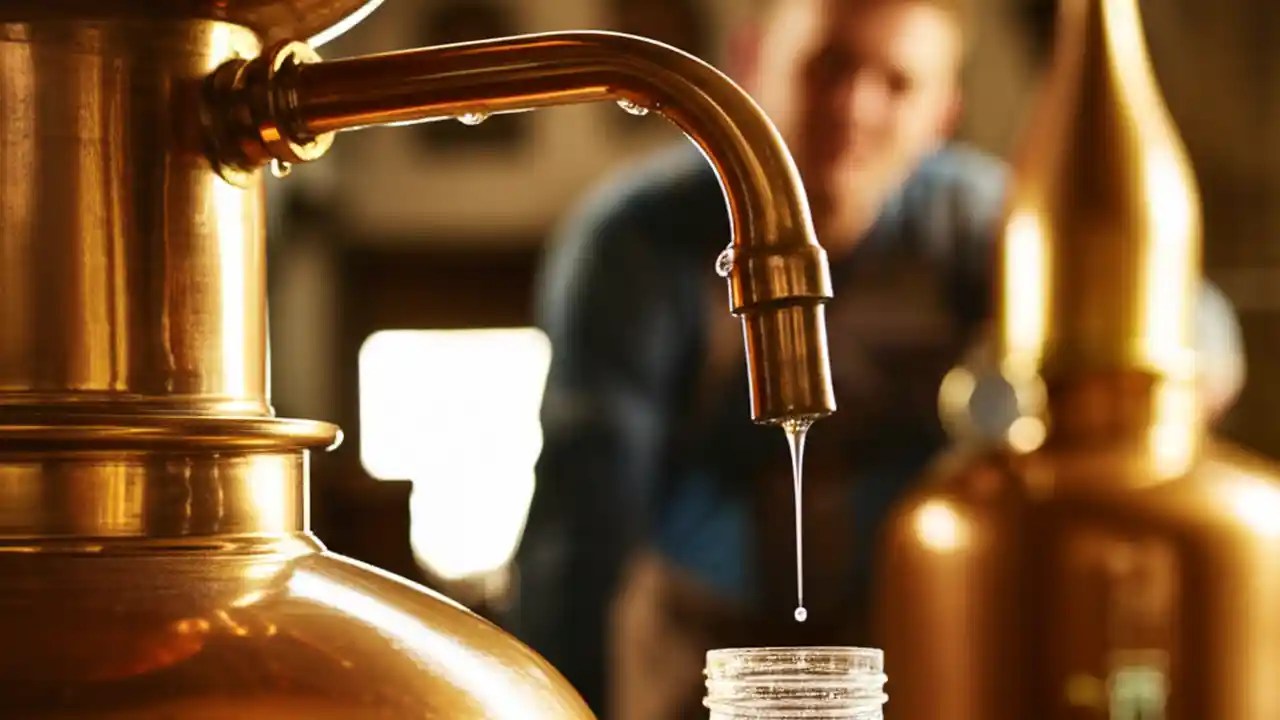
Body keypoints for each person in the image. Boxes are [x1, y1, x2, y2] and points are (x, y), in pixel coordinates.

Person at [508, 0, 1246, 717]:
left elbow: (1196, 328)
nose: (853, 108)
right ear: (749, 64)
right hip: (701, 668)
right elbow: (582, 525)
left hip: (917, 655)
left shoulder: (974, 227)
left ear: (942, 117)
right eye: (826, 68)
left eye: (896, 84)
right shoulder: (633, 246)